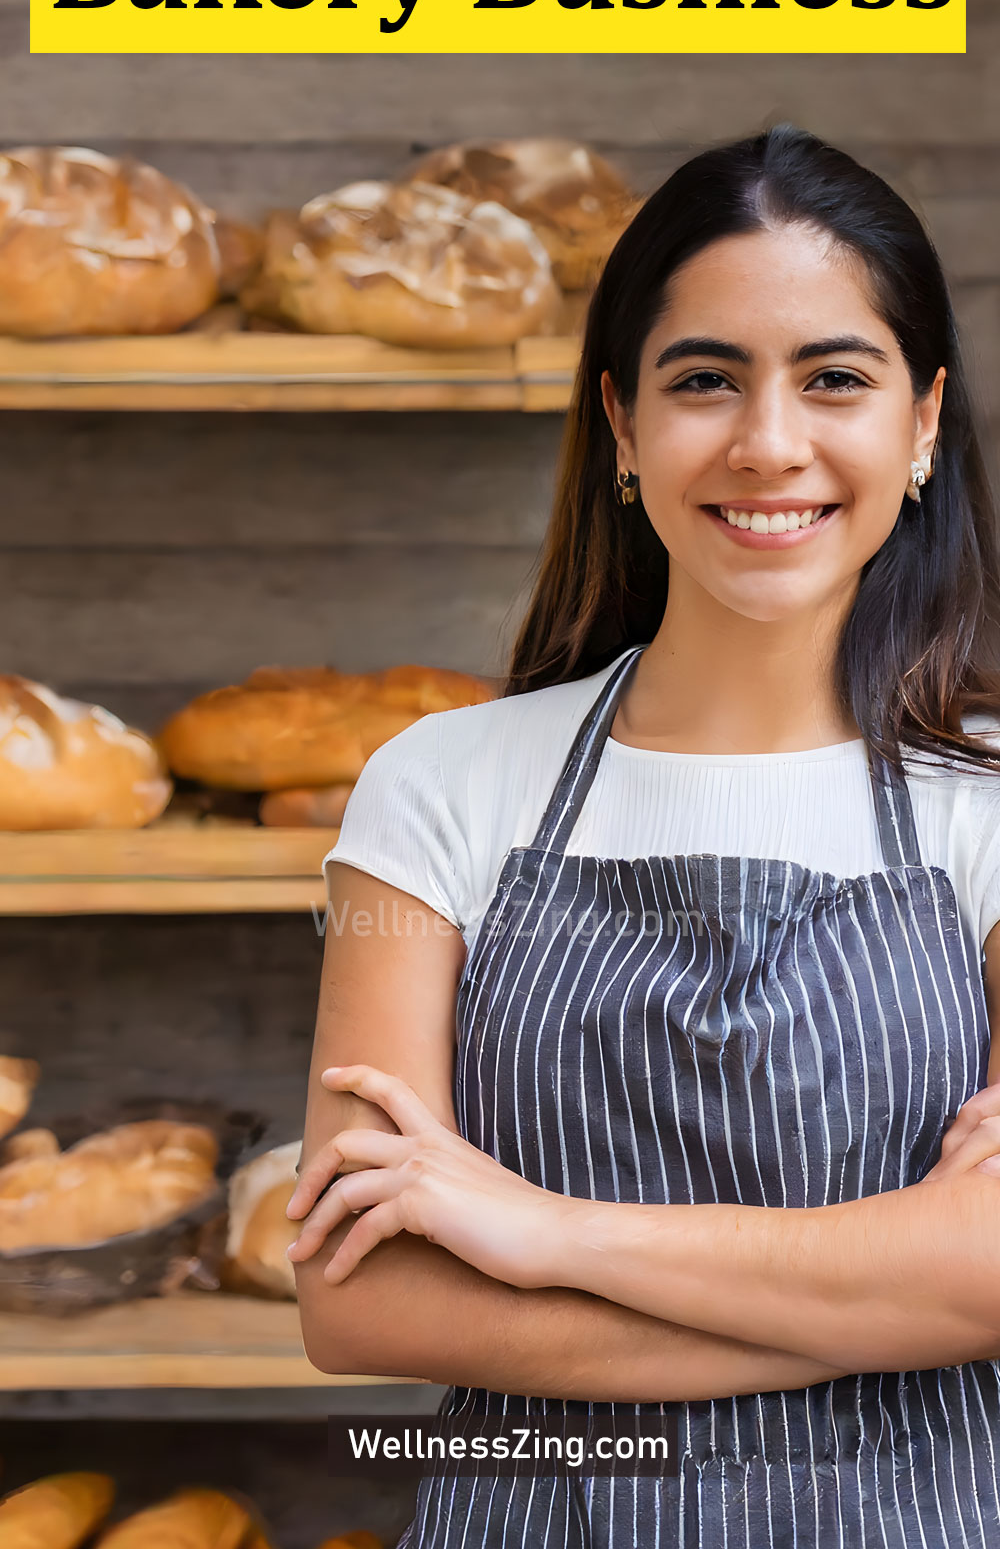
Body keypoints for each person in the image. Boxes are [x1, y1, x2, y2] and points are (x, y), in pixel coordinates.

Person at [289, 124, 1000, 1547]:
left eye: (836, 379)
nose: (770, 444)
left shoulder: (987, 795)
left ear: (922, 424)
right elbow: (362, 1296)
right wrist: (891, 1299)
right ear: (621, 424)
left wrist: (547, 1232)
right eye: (704, 380)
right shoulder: (439, 786)